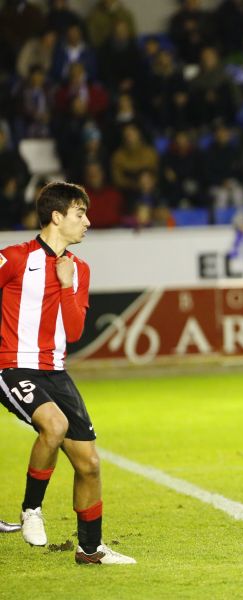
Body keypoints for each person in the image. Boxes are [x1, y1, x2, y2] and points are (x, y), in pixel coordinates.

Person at [0, 182, 134, 565]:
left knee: (89, 464)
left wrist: (66, 284)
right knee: (54, 426)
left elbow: (73, 332)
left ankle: (90, 550)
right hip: (14, 366)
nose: (87, 222)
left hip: (56, 373)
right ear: (56, 217)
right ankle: (31, 510)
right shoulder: (13, 258)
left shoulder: (79, 269)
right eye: (80, 214)